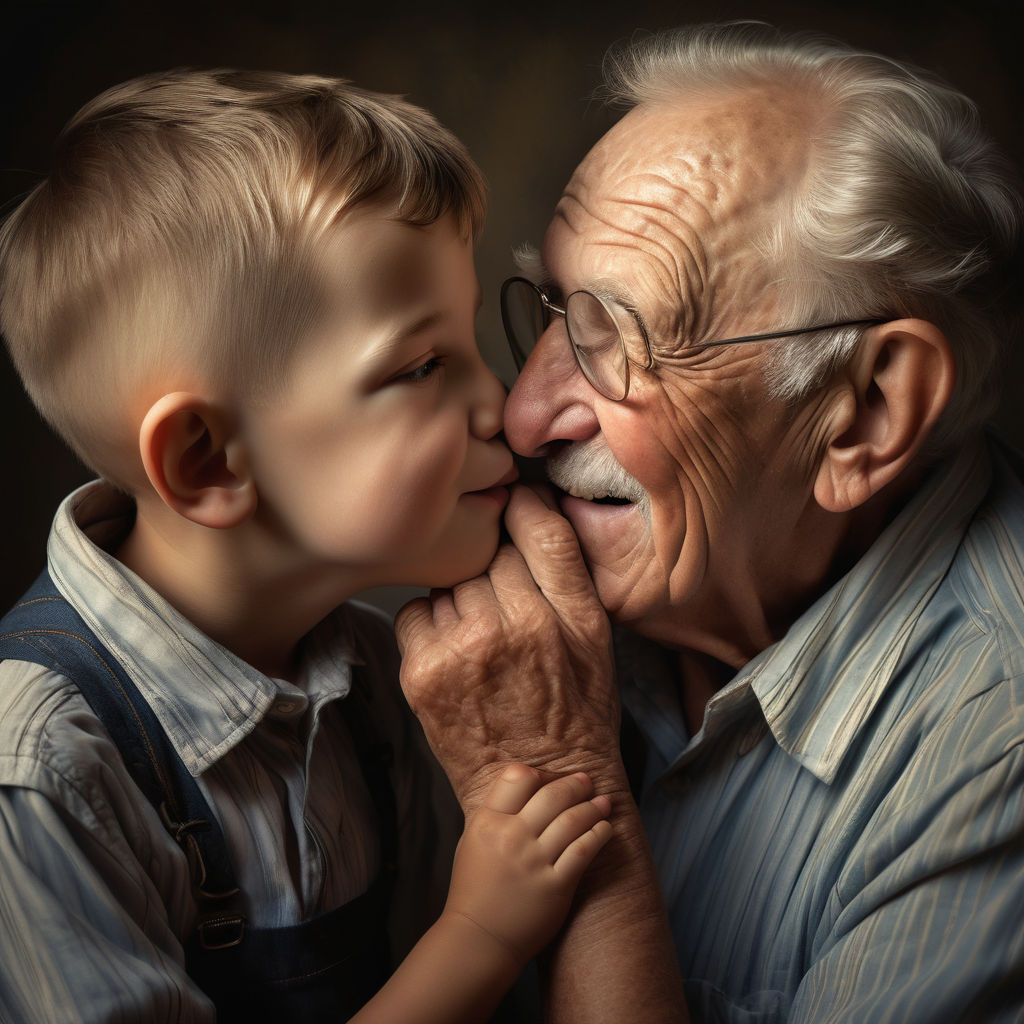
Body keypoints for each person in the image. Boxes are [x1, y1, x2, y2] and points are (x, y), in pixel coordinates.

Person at [396, 21, 1024, 1023]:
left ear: (862, 411)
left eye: (619, 339)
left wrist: (566, 785)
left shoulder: (996, 743)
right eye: (557, 309)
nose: (523, 412)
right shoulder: (537, 614)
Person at [0, 69, 615, 1023]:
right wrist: (481, 937)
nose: (504, 402)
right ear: (207, 460)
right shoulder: (45, 769)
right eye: (421, 366)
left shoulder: (376, 676)